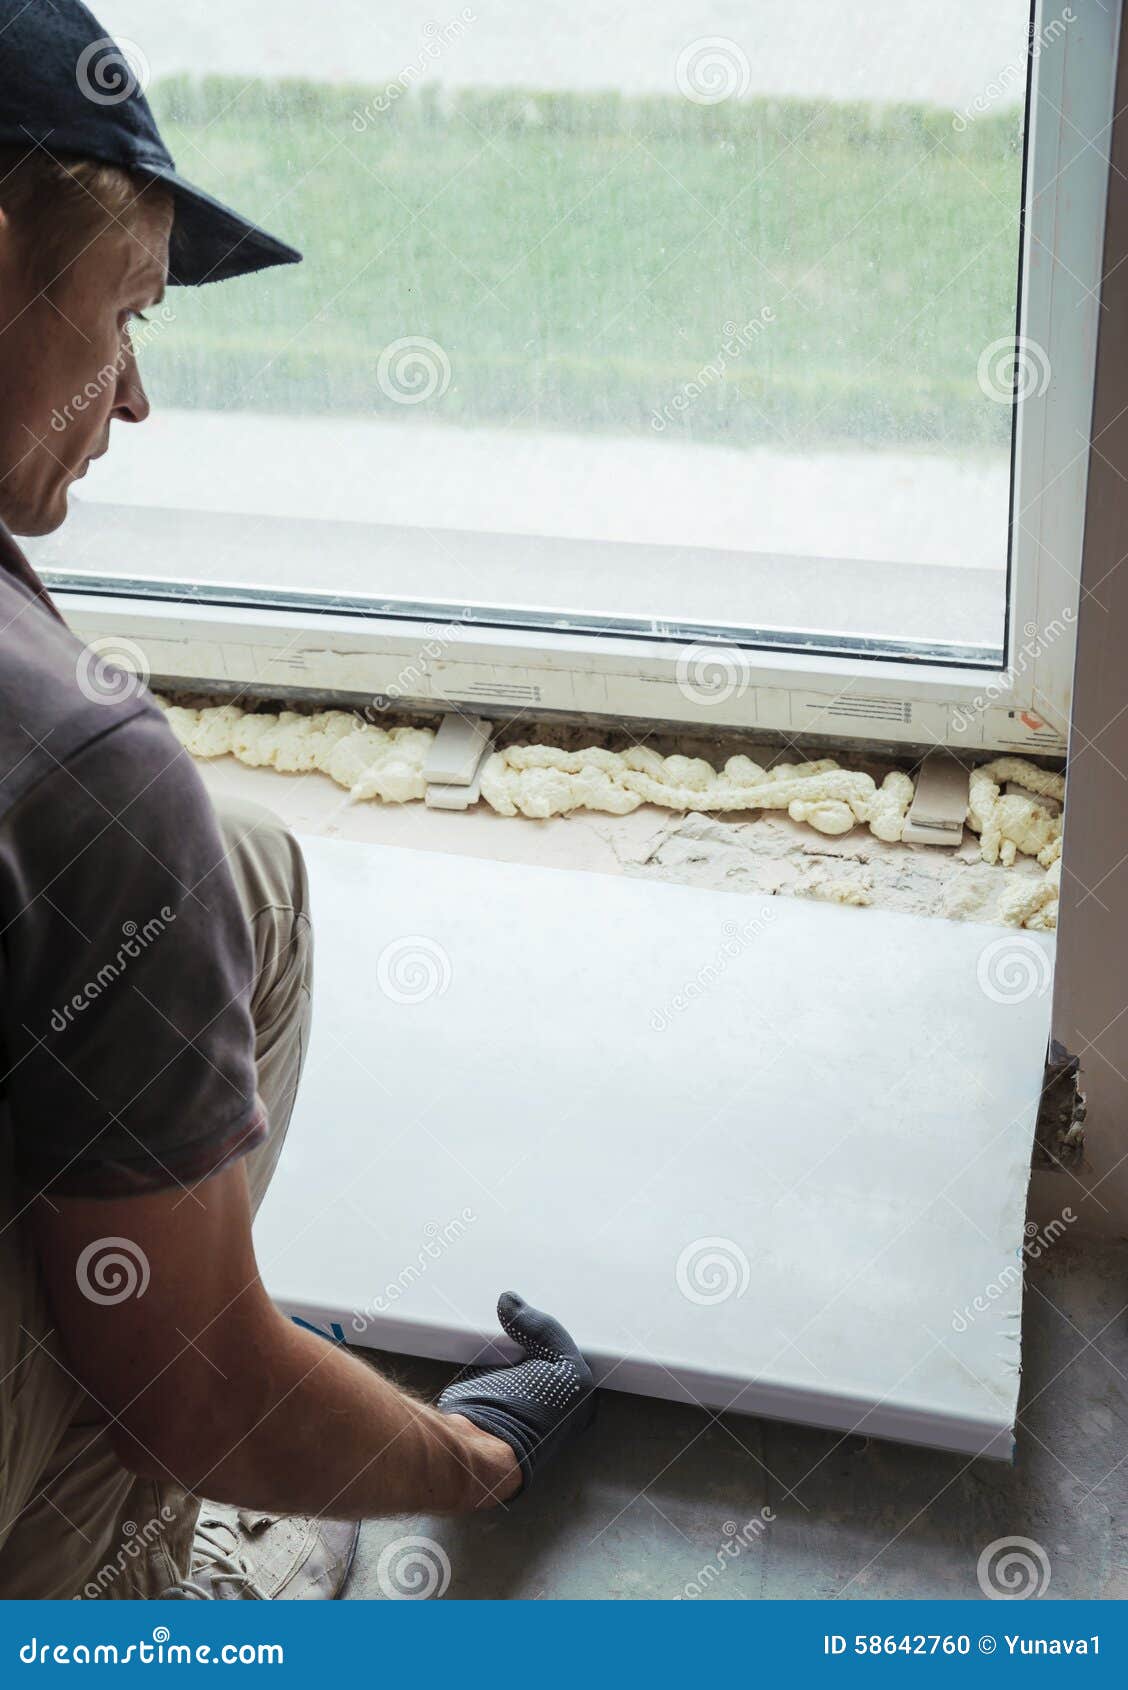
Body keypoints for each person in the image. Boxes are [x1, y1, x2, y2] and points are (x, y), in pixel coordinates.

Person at [0, 1, 594, 1601]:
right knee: (149, 1333)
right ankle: (104, 1604)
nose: (132, 398)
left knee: (233, 870)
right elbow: (195, 1389)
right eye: (122, 314)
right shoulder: (76, 766)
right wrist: (478, 1451)